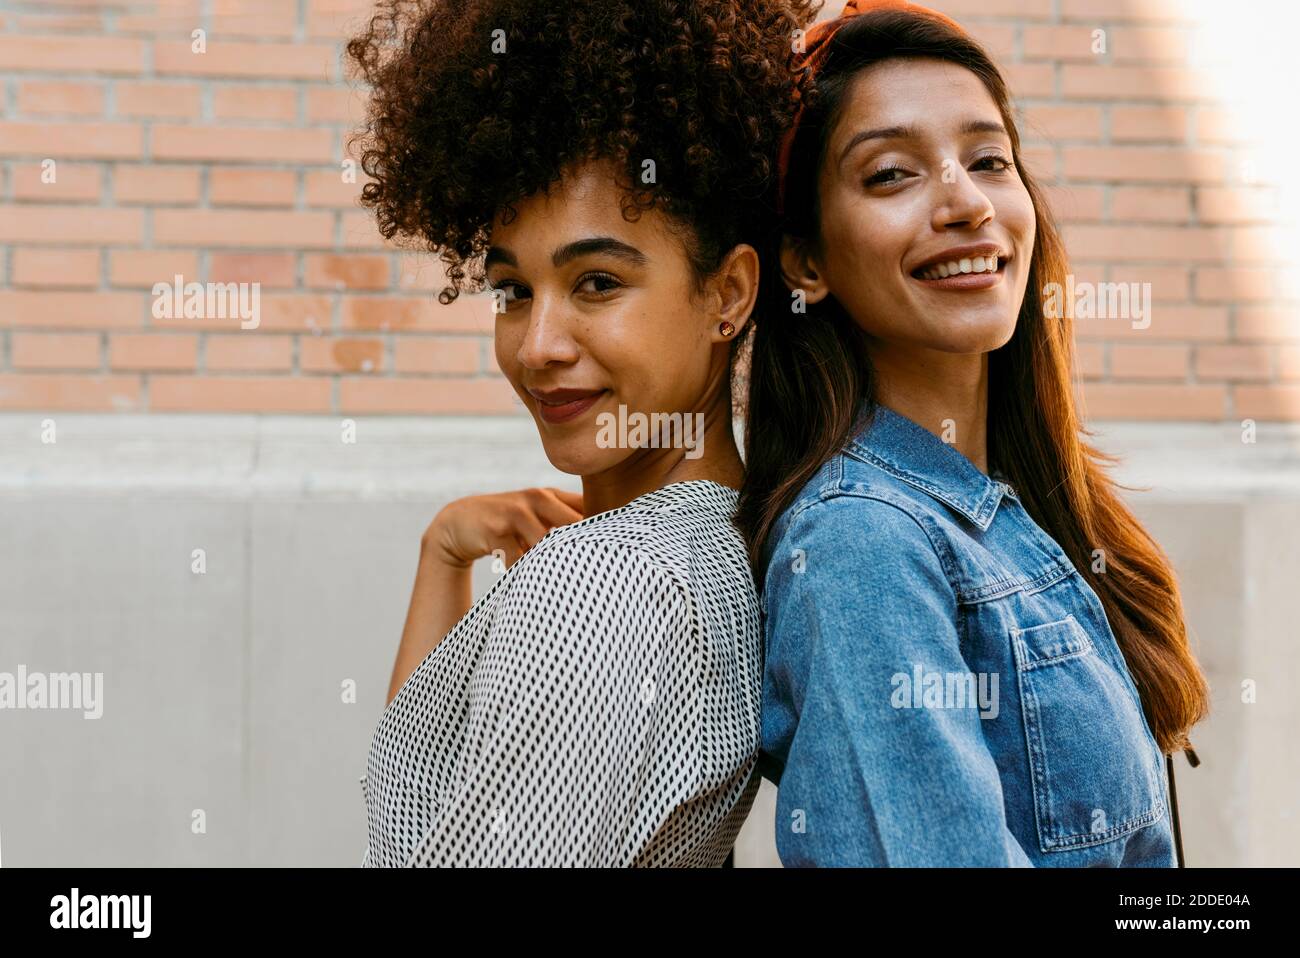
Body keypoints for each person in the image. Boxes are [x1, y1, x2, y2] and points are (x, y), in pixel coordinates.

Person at [736, 0, 1210, 866]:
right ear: (807, 260)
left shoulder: (1009, 509)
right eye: (891, 174)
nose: (964, 202)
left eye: (988, 159)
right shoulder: (861, 542)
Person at [346, 0, 817, 866]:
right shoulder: (726, 541)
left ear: (730, 294)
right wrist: (444, 553)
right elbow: (421, 816)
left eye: (597, 282)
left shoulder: (599, 581)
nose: (538, 346)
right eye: (513, 290)